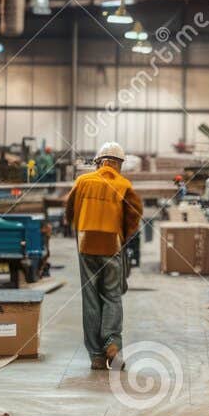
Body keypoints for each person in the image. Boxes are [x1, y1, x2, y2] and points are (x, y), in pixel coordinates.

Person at [67, 142, 142, 370]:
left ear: (98, 162)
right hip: (111, 244)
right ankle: (113, 344)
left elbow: (69, 210)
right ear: (118, 164)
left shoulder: (82, 182)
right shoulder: (123, 185)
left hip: (86, 243)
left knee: (90, 298)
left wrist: (80, 227)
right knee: (112, 296)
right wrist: (123, 237)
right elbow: (134, 214)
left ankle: (97, 357)